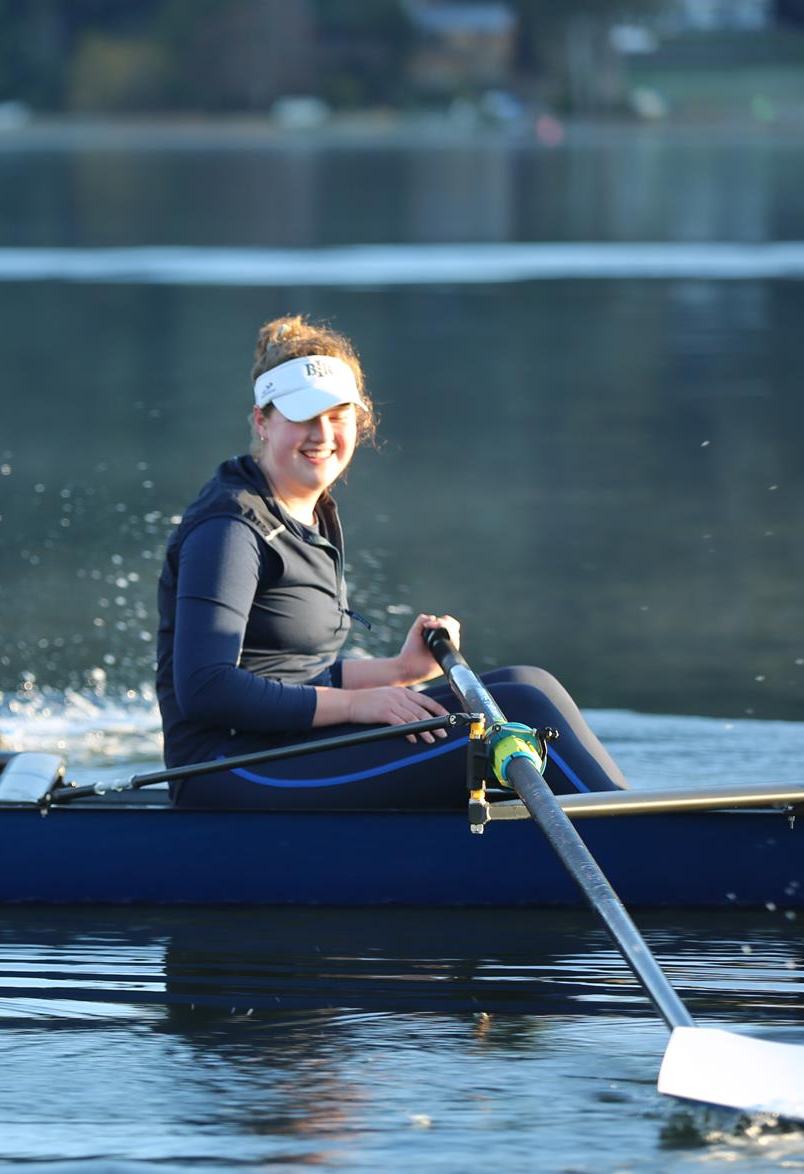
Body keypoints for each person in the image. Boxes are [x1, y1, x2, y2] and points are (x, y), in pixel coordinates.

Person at [154, 315, 629, 809]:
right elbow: (206, 689)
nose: (323, 434)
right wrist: (360, 703)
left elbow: (293, 674)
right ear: (262, 421)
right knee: (521, 709)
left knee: (528, 683)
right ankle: (644, 840)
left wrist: (400, 670)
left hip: (286, 744)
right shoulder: (229, 529)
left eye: (338, 415)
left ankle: (634, 813)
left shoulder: (310, 511)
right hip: (227, 767)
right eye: (303, 416)